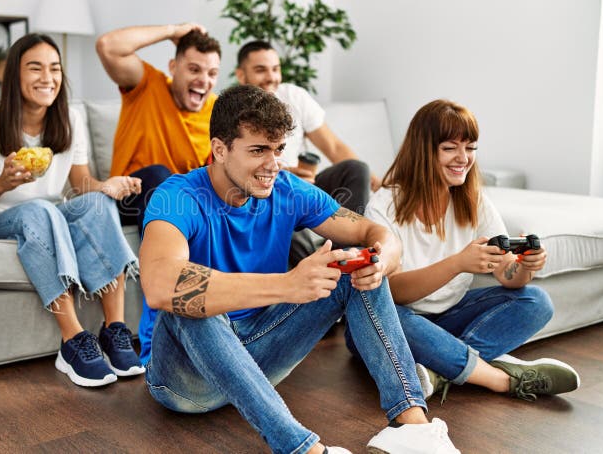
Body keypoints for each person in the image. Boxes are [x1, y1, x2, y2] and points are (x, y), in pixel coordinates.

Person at [138, 85, 460, 454]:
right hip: (185, 382)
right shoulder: (178, 196)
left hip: (259, 356)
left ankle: (412, 428)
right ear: (220, 149)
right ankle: (302, 449)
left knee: (351, 266)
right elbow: (160, 286)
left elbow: (377, 233)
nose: (272, 164)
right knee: (190, 303)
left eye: (278, 150)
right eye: (258, 150)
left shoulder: (286, 189)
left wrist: (381, 259)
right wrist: (287, 285)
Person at [354, 99, 579, 403]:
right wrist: (458, 263)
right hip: (391, 320)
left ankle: (438, 372)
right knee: (395, 320)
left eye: (470, 147)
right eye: (450, 148)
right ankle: (498, 379)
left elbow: (508, 276)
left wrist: (525, 266)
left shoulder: (473, 201)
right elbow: (390, 292)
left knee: (536, 301)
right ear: (423, 150)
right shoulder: (383, 206)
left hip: (448, 317)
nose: (464, 158)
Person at [0, 33, 144, 387]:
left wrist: (108, 187)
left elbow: (80, 182)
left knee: (97, 203)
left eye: (55, 68)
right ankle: (72, 340)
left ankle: (114, 329)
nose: (47, 77)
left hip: (52, 213)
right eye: (35, 68)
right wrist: (3, 183)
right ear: (15, 75)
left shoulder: (68, 119)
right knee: (40, 209)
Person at [95, 23, 221, 232]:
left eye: (212, 73)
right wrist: (172, 31)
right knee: (161, 177)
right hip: (128, 197)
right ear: (173, 67)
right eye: (194, 69)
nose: (203, 80)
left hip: (180, 206)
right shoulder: (147, 85)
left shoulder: (217, 111)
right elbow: (107, 46)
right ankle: (161, 262)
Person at [235, 40, 381, 211]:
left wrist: (378, 185)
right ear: (241, 75)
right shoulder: (230, 109)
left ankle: (349, 237)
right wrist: (283, 176)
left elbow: (333, 147)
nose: (271, 77)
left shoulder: (294, 96)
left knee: (357, 169)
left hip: (303, 185)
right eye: (260, 70)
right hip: (264, 190)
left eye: (276, 69)